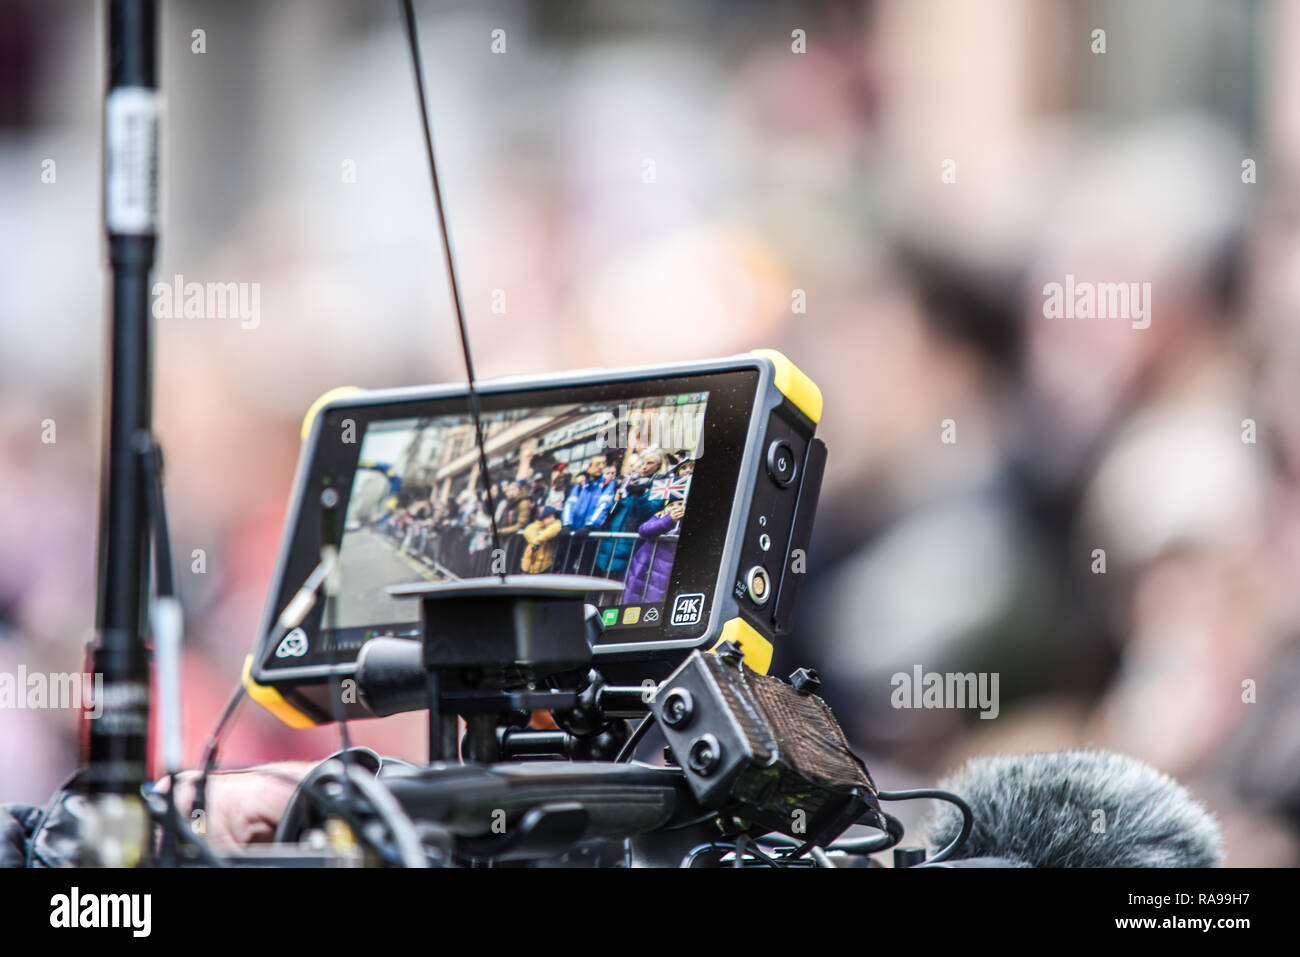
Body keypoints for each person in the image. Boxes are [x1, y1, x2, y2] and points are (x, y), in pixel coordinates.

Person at [624, 499, 685, 604]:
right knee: (633, 594)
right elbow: (644, 530)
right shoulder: (659, 517)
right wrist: (669, 520)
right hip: (643, 565)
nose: (675, 507)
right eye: (671, 505)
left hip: (663, 569)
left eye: (680, 504)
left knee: (654, 599)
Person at [520, 506, 564, 574]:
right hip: (529, 564)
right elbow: (529, 530)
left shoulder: (556, 524)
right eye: (549, 517)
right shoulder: (537, 524)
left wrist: (537, 541)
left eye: (553, 517)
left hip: (544, 565)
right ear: (543, 518)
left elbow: (553, 529)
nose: (552, 519)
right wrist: (534, 541)